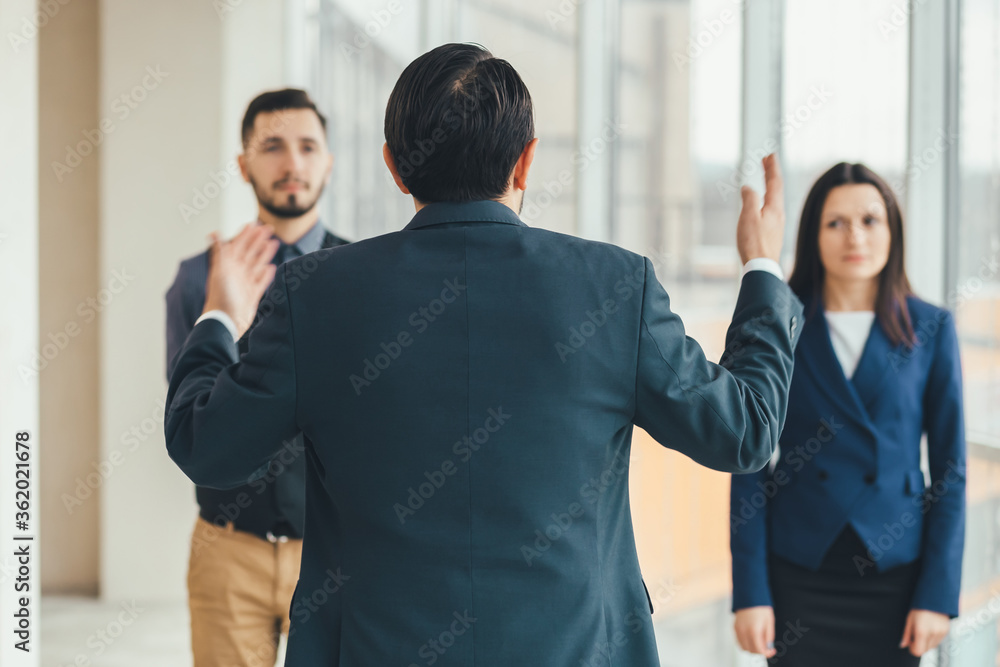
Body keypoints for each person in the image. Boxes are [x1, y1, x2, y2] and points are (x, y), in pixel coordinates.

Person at [165, 43, 804, 666]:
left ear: (395, 165)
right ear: (526, 162)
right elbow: (743, 432)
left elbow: (209, 447)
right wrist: (763, 269)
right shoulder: (612, 288)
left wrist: (219, 314)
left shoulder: (317, 293)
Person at [730, 162, 966, 666]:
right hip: (797, 570)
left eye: (869, 220)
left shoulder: (931, 328)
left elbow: (950, 473)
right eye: (835, 222)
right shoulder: (780, 321)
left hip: (897, 575)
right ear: (812, 233)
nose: (854, 235)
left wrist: (937, 595)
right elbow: (747, 461)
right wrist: (750, 590)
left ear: (892, 230)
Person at [164, 88, 349, 666]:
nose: (292, 164)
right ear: (244, 165)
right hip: (226, 549)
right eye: (272, 147)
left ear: (328, 161)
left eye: (307, 147)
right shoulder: (199, 280)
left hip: (332, 550)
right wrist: (222, 313)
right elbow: (187, 411)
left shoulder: (361, 276)